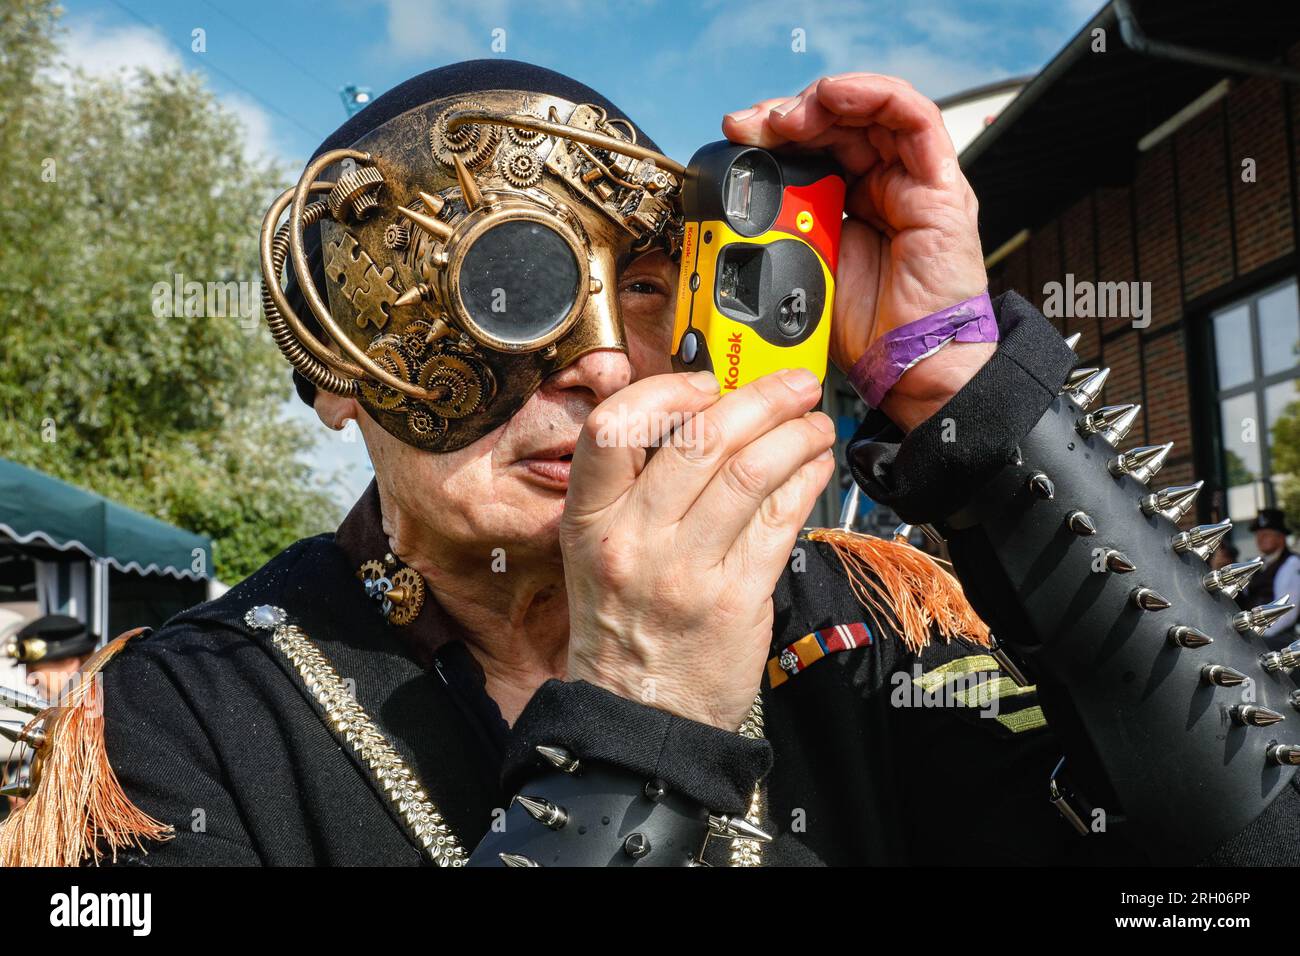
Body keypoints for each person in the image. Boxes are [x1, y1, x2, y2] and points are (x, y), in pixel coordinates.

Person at [2, 59, 1295, 868]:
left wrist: (965, 393)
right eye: (508, 286)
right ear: (332, 374)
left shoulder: (852, 630)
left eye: (641, 285)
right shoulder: (181, 723)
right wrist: (641, 717)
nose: (604, 365)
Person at [0, 614, 98, 812]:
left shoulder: (98, 712)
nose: (29, 680)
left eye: (35, 668)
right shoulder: (55, 713)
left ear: (71, 662)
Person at [1239, 508, 1300, 648]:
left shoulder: (1291, 563)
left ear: (1281, 537)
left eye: (1266, 534)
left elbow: (1287, 612)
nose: (1260, 539)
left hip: (1278, 640)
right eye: (1258, 534)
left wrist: (1257, 635)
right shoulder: (1259, 564)